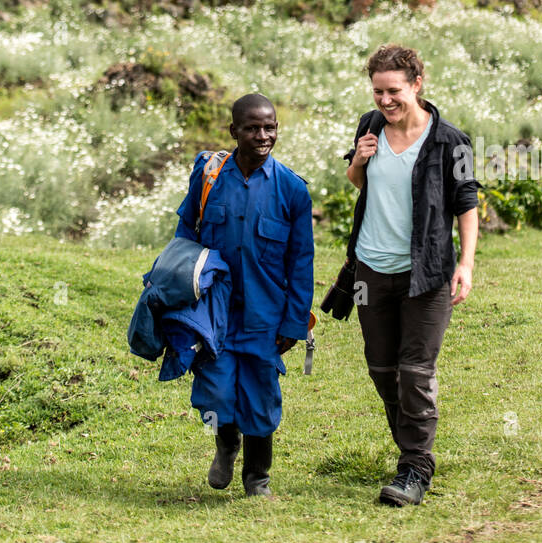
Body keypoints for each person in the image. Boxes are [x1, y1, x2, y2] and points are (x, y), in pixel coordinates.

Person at [344, 43, 478, 506]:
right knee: (382, 369)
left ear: (417, 84)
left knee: (415, 371)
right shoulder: (369, 125)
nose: (385, 101)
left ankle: (415, 469)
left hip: (427, 274)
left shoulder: (451, 141)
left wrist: (466, 263)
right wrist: (359, 160)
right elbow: (358, 184)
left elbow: (467, 202)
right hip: (369, 270)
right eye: (378, 91)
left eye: (394, 91)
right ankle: (409, 452)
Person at [175, 93, 314, 496]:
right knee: (215, 391)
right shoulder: (210, 179)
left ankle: (258, 478)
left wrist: (293, 322)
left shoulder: (292, 190)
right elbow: (185, 237)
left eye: (269, 127)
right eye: (252, 128)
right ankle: (225, 444)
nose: (262, 135)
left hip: (265, 316)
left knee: (260, 396)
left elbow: (301, 262)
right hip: (214, 314)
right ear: (233, 130)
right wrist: (177, 293)